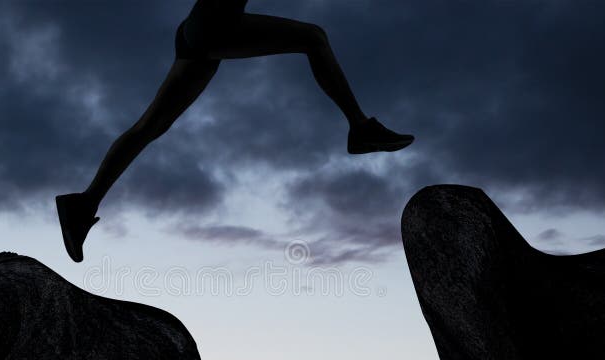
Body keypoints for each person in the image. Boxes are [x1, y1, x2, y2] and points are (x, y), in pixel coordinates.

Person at [56, 0, 414, 262]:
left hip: (199, 28)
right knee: (313, 38)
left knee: (151, 126)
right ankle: (360, 128)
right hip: (213, 26)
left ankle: (84, 203)